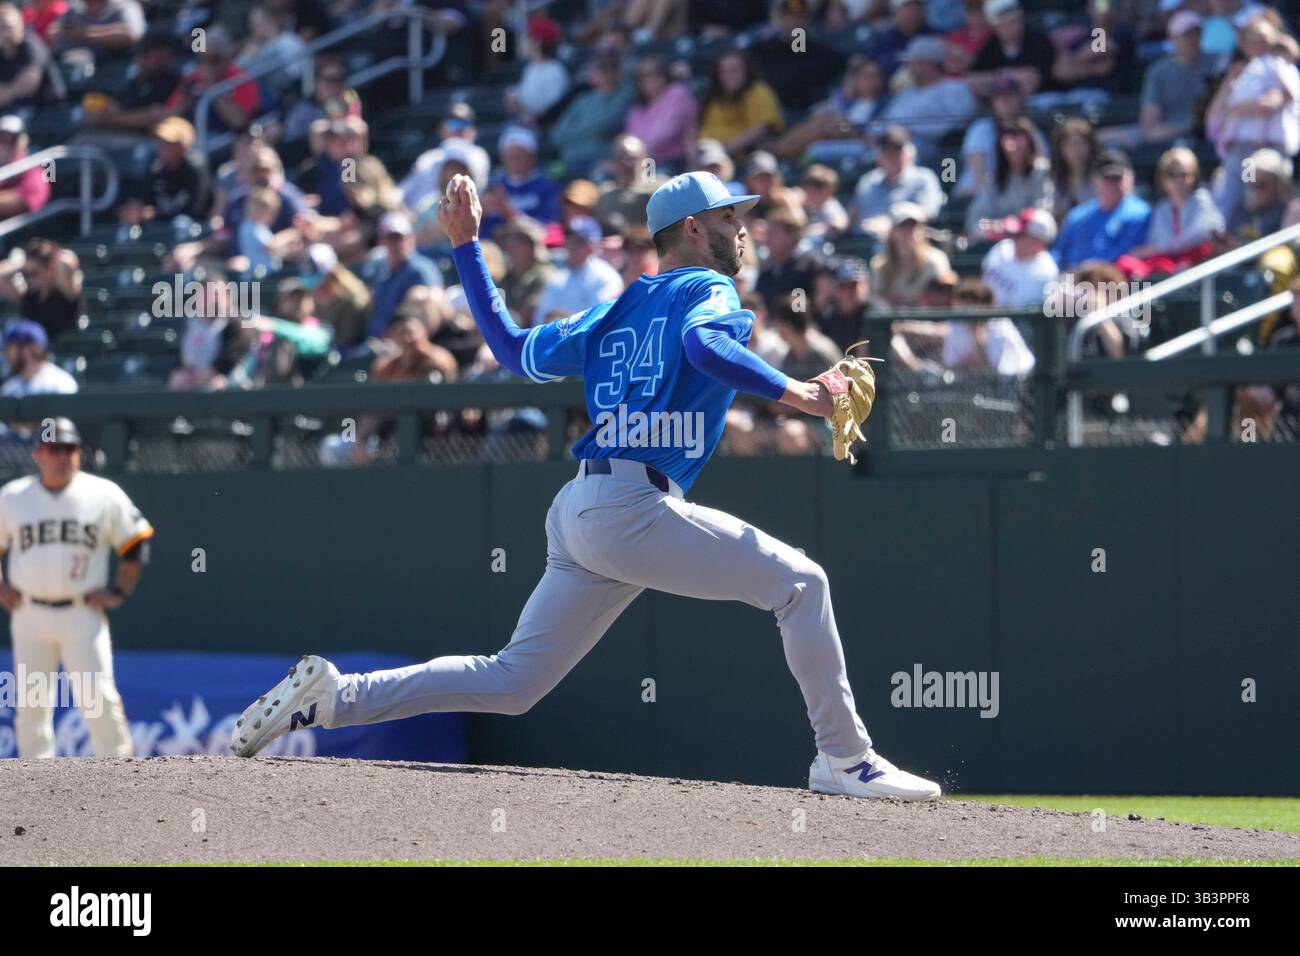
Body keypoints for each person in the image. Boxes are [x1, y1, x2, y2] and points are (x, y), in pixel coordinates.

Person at [232, 169, 944, 804]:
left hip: (583, 507)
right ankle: (846, 759)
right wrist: (803, 395)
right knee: (803, 585)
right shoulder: (707, 285)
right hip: (633, 507)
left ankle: (336, 695)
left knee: (511, 682)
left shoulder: (613, 310)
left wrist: (466, 247)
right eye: (729, 216)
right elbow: (702, 345)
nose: (742, 227)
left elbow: (510, 349)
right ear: (693, 229)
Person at [0, 418, 151, 758]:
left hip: (82, 614)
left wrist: (118, 592)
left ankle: (121, 777)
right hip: (30, 615)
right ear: (38, 453)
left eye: (69, 448)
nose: (62, 456)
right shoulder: (13, 497)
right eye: (55, 449)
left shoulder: (102, 494)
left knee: (99, 699)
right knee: (31, 707)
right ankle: (33, 785)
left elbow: (137, 545)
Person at [1206, 16, 1300, 231]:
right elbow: (1213, 118)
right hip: (1241, 151)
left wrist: (1234, 109)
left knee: (1266, 197)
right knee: (1235, 198)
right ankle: (1232, 241)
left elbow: (1273, 102)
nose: (1256, 44)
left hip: (1266, 151)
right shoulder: (1242, 72)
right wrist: (1229, 81)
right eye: (1251, 39)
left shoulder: (1280, 66)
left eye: (1262, 38)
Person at [1118, 147, 1224, 278]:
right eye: (1172, 174)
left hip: (1197, 265)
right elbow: (1156, 241)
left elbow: (1196, 237)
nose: (1178, 180)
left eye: (1185, 174)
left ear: (1194, 176)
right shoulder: (1162, 208)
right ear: (1162, 178)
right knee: (1126, 264)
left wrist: (1152, 250)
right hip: (1167, 264)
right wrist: (1156, 250)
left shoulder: (1202, 199)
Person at [875, 35, 976, 164]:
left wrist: (911, 130)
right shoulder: (906, 92)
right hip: (887, 143)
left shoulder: (954, 88)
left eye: (912, 63)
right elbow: (884, 120)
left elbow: (957, 126)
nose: (907, 68)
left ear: (927, 64)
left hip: (930, 149)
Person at [1052, 150, 1152, 269]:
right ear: (1095, 180)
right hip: (1073, 280)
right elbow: (1058, 254)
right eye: (1107, 178)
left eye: (1117, 178)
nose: (1112, 184)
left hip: (1116, 282)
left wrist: (1089, 270)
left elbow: (1126, 255)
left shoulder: (1140, 214)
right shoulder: (1077, 216)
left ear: (1130, 179)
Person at [547, 48, 634, 178]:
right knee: (549, 176)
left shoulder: (627, 94)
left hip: (602, 161)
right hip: (569, 161)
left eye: (611, 66)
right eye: (600, 67)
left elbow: (605, 124)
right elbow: (557, 135)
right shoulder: (583, 99)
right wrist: (587, 130)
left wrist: (578, 129)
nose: (606, 72)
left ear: (618, 70)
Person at [965, 117, 1053, 237]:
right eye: (1009, 138)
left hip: (1034, 239)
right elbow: (975, 219)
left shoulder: (1042, 171)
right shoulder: (994, 179)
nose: (1015, 145)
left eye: (1020, 138)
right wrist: (997, 226)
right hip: (1001, 241)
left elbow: (1045, 210)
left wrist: (1019, 225)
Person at [851, 126, 944, 240]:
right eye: (887, 151)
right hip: (864, 241)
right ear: (878, 157)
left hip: (906, 242)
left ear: (909, 153)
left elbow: (927, 212)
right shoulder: (868, 180)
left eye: (897, 151)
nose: (892, 157)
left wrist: (891, 223)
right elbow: (853, 214)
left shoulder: (924, 178)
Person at [531, 216, 623, 326]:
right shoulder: (558, 277)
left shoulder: (607, 277)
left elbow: (596, 320)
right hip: (558, 338)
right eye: (569, 239)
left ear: (592, 246)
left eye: (578, 242)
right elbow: (539, 319)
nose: (572, 245)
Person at [367, 211, 445, 338]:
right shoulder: (381, 267)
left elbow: (435, 300)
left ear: (411, 238)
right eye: (391, 238)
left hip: (402, 341)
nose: (398, 243)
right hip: (376, 339)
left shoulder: (421, 268)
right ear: (382, 241)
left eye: (402, 237)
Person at [697, 47, 784, 159]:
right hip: (704, 156)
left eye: (734, 70)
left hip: (738, 160)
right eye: (724, 71)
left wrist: (723, 152)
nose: (729, 76)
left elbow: (761, 129)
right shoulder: (712, 94)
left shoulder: (758, 92)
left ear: (746, 71)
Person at [870, 202, 952, 309]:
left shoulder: (936, 261)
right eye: (903, 226)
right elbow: (875, 299)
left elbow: (942, 300)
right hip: (889, 324)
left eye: (914, 226)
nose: (909, 232)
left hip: (927, 323)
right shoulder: (879, 266)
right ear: (892, 231)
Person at [623, 55, 696, 171]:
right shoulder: (636, 109)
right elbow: (629, 139)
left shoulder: (677, 93)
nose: (650, 80)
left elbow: (667, 131)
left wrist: (638, 153)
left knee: (649, 183)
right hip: (643, 162)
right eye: (644, 77)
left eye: (655, 74)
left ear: (665, 76)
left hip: (672, 162)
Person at [0, 240, 83, 342]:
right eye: (26, 273)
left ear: (49, 268)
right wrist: (20, 264)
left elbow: (67, 261)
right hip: (32, 351)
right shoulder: (28, 295)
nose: (30, 278)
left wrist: (49, 253)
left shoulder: (66, 291)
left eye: (34, 272)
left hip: (66, 349)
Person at [980, 206, 1060, 309]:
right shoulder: (1002, 248)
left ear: (1038, 242)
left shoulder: (1047, 273)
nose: (1014, 239)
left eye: (1021, 235)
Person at [0, 319, 78, 396]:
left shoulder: (60, 384)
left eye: (8, 349)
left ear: (27, 350)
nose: (5, 354)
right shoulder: (9, 390)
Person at [0, 114, 50, 219]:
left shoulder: (31, 167)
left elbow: (27, 199)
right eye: (2, 139)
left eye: (12, 140)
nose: (6, 145)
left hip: (18, 229)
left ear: (23, 141)